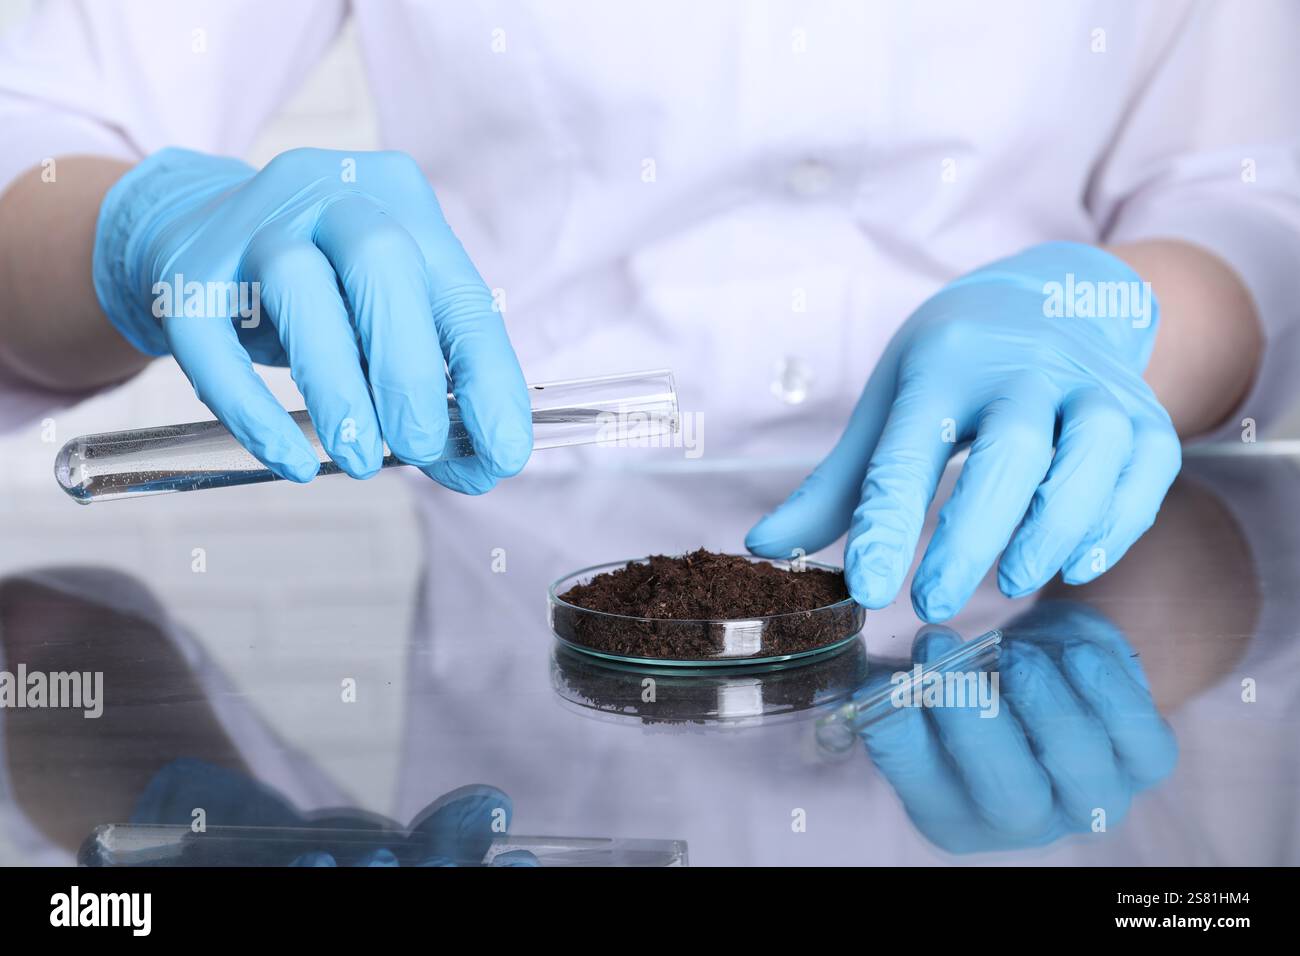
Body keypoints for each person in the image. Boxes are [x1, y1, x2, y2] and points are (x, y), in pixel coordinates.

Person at [1, 1, 1297, 621]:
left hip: (1052, 557)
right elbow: (40, 131)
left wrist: (1118, 321)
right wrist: (149, 230)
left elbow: (1250, 194)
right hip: (527, 617)